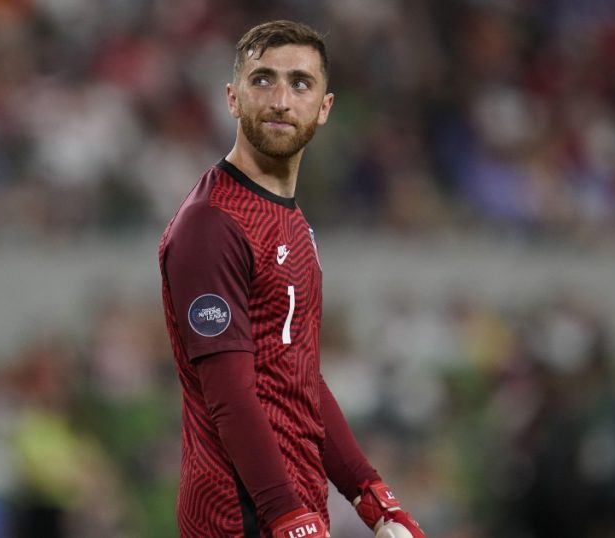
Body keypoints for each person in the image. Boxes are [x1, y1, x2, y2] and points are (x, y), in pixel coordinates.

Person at [158, 20, 425, 538]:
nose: (281, 99)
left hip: (292, 509)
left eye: (300, 83)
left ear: (324, 108)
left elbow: (298, 378)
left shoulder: (294, 223)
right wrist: (284, 511)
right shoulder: (212, 224)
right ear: (233, 99)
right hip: (240, 515)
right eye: (263, 80)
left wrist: (371, 495)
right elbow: (229, 394)